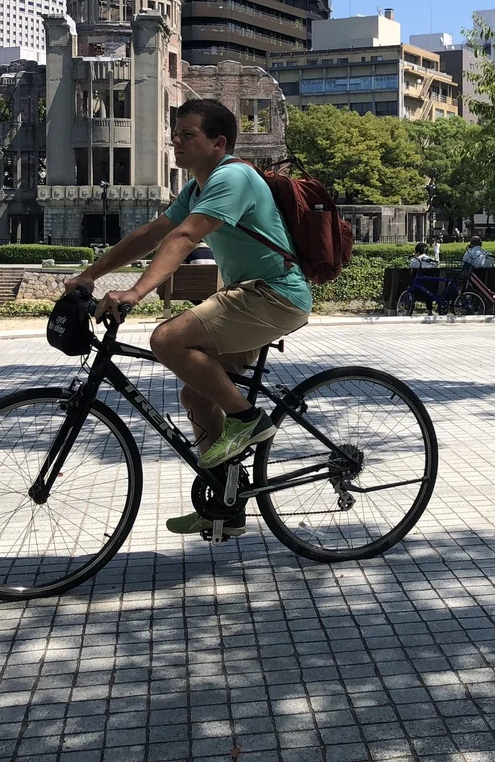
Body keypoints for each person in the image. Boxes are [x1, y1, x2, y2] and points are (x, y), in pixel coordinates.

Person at [64, 99, 311, 538]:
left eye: (188, 134)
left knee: (167, 339)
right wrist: (90, 275)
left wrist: (135, 292)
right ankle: (225, 505)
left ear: (219, 143)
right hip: (250, 295)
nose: (176, 141)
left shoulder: (233, 177)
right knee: (197, 396)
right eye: (175, 133)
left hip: (274, 294)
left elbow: (185, 236)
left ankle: (248, 420)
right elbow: (150, 234)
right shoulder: (198, 188)